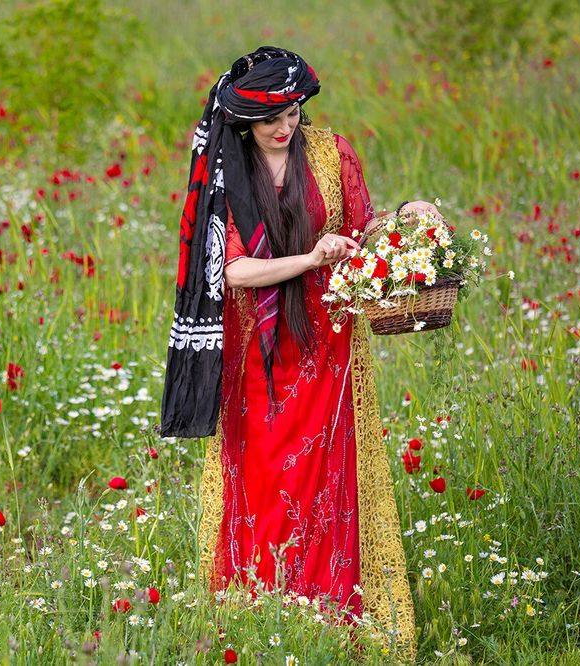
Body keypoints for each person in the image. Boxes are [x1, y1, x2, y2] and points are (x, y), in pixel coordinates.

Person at [160, 46, 434, 661]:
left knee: (327, 484)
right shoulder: (226, 171)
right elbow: (231, 272)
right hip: (256, 357)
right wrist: (310, 259)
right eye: (270, 120)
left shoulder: (333, 155)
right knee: (260, 483)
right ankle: (257, 625)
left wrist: (409, 221)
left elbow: (361, 235)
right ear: (242, 123)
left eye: (293, 112)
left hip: (329, 346)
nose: (285, 127)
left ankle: (334, 625)